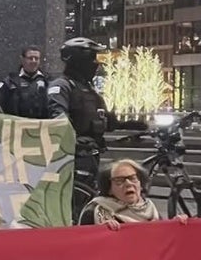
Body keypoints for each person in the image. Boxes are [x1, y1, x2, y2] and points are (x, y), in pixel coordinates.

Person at [47, 37, 145, 198]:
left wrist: (131, 125)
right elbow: (58, 116)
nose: (95, 63)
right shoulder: (62, 86)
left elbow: (107, 120)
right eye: (91, 58)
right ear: (79, 60)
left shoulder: (89, 89)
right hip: (72, 156)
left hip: (91, 153)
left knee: (91, 196)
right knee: (77, 199)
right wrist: (73, 139)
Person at [77, 159, 174, 227]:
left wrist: (175, 225)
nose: (128, 184)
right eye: (119, 181)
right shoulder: (94, 211)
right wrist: (100, 232)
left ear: (140, 183)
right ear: (109, 188)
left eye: (133, 178)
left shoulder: (150, 208)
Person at [0, 46, 51, 119]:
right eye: (30, 58)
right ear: (22, 59)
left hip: (41, 126)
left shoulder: (47, 81)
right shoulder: (10, 82)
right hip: (16, 126)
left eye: (36, 58)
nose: (33, 61)